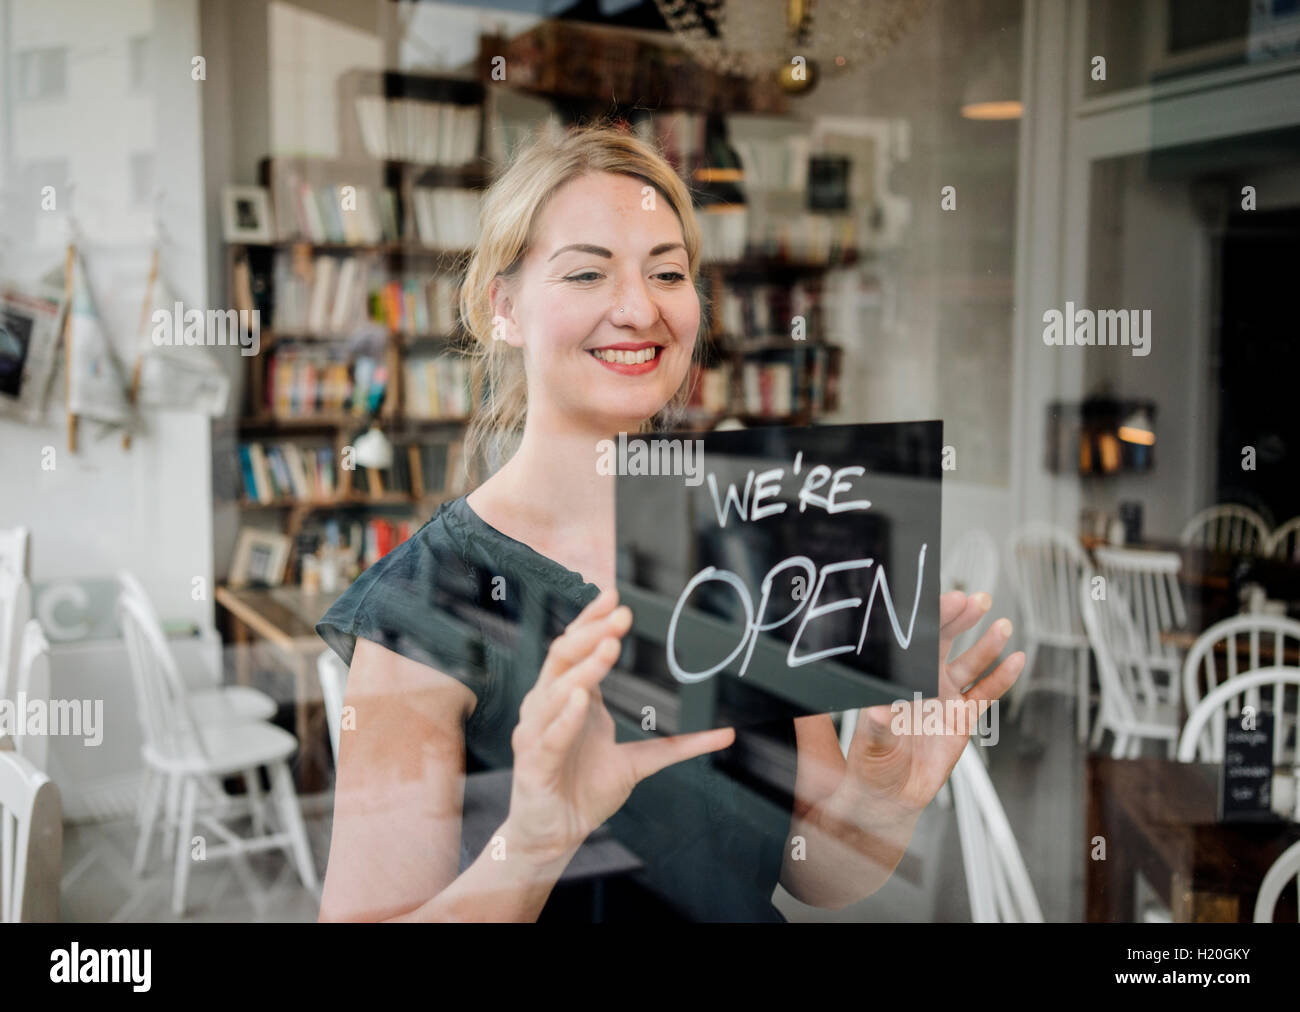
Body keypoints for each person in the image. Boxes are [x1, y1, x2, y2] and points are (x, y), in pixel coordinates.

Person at [315, 123, 1025, 922]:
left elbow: (817, 873)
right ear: (503, 307)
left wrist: (884, 798)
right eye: (586, 272)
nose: (638, 307)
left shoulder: (755, 542)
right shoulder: (426, 606)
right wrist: (539, 840)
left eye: (669, 272)